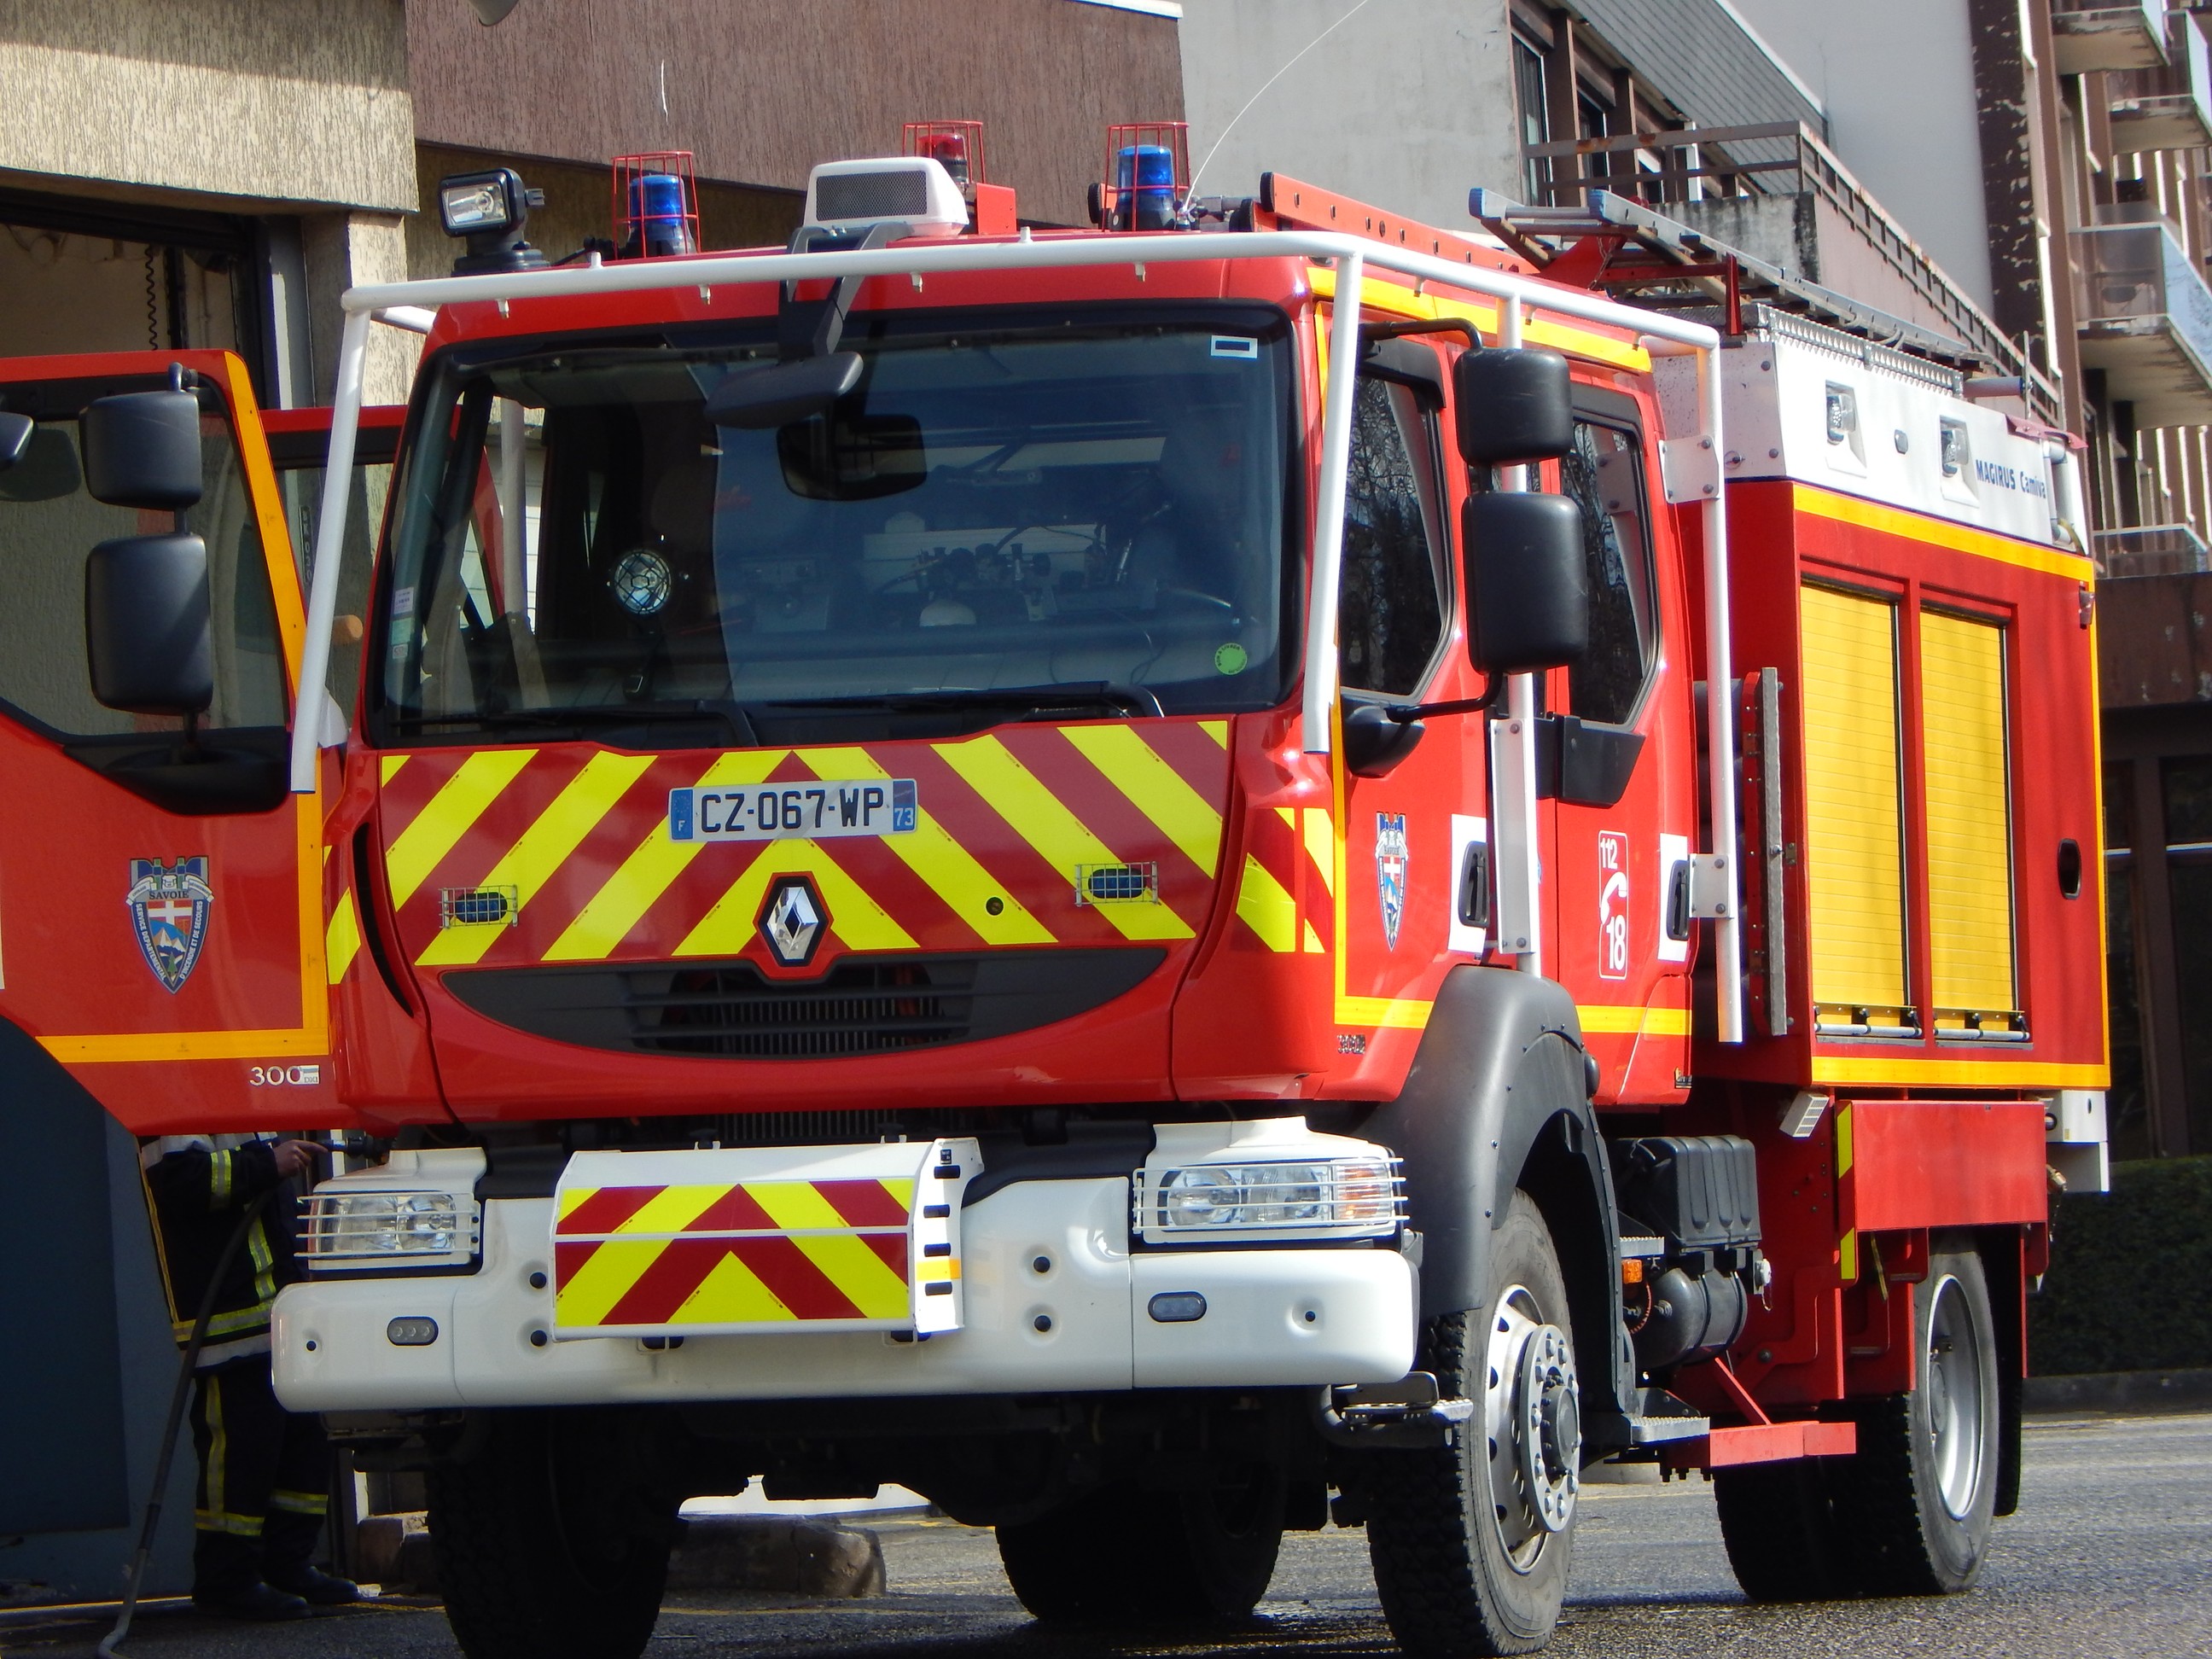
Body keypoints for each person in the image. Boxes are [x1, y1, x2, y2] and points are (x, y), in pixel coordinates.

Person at [140, 1132, 359, 1620]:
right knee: (241, 1450)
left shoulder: (247, 1097)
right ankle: (227, 1578)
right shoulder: (179, 1101)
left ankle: (288, 1563)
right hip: (229, 1315)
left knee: (303, 1441)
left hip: (282, 1314)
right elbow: (177, 1183)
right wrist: (267, 1161)